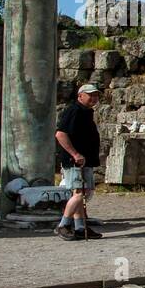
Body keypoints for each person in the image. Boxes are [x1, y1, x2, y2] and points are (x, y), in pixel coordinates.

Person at [54, 83, 103, 241]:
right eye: (90, 95)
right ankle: (64, 225)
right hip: (76, 160)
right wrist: (75, 154)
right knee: (80, 193)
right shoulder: (74, 111)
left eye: (96, 95)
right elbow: (61, 134)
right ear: (80, 96)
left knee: (81, 192)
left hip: (84, 160)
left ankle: (80, 227)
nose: (94, 98)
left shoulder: (86, 112)